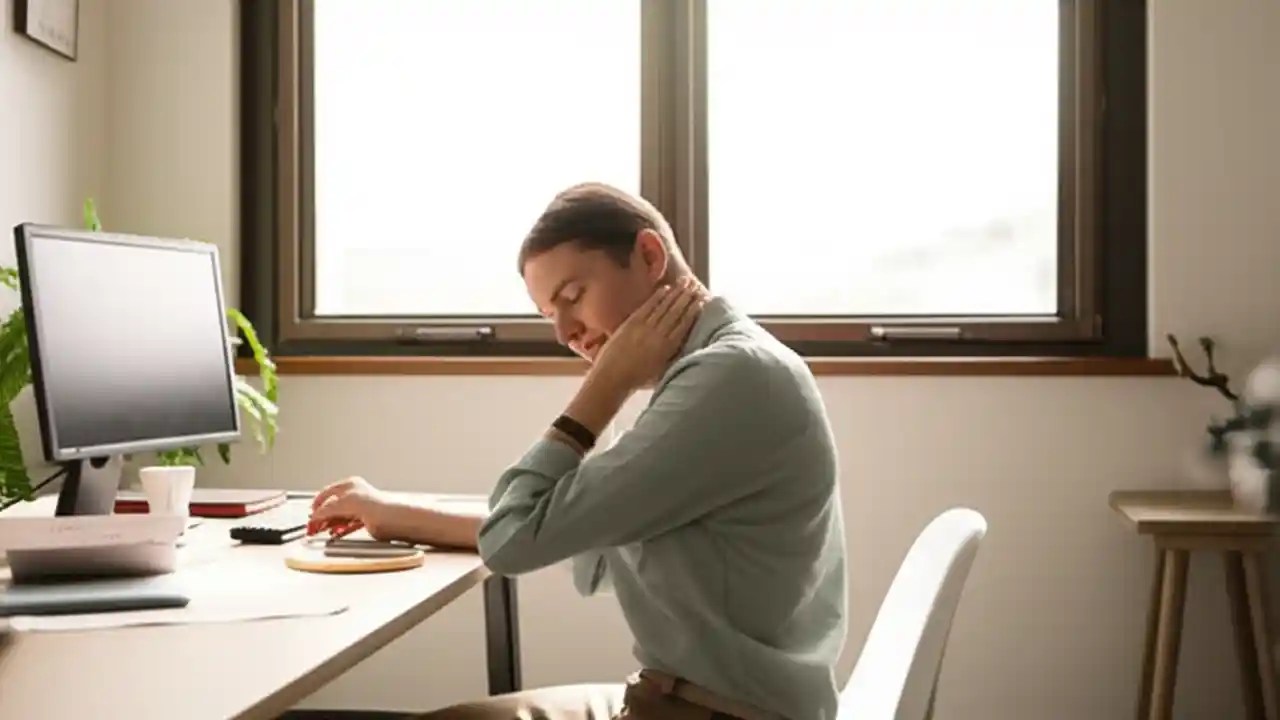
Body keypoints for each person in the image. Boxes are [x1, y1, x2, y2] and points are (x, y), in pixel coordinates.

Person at [307, 182, 848, 720]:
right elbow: (580, 546)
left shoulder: (730, 378)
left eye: (572, 298)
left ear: (649, 255)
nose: (566, 332)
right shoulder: (706, 373)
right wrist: (393, 515)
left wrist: (604, 387)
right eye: (550, 316)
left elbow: (515, 543)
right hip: (694, 696)